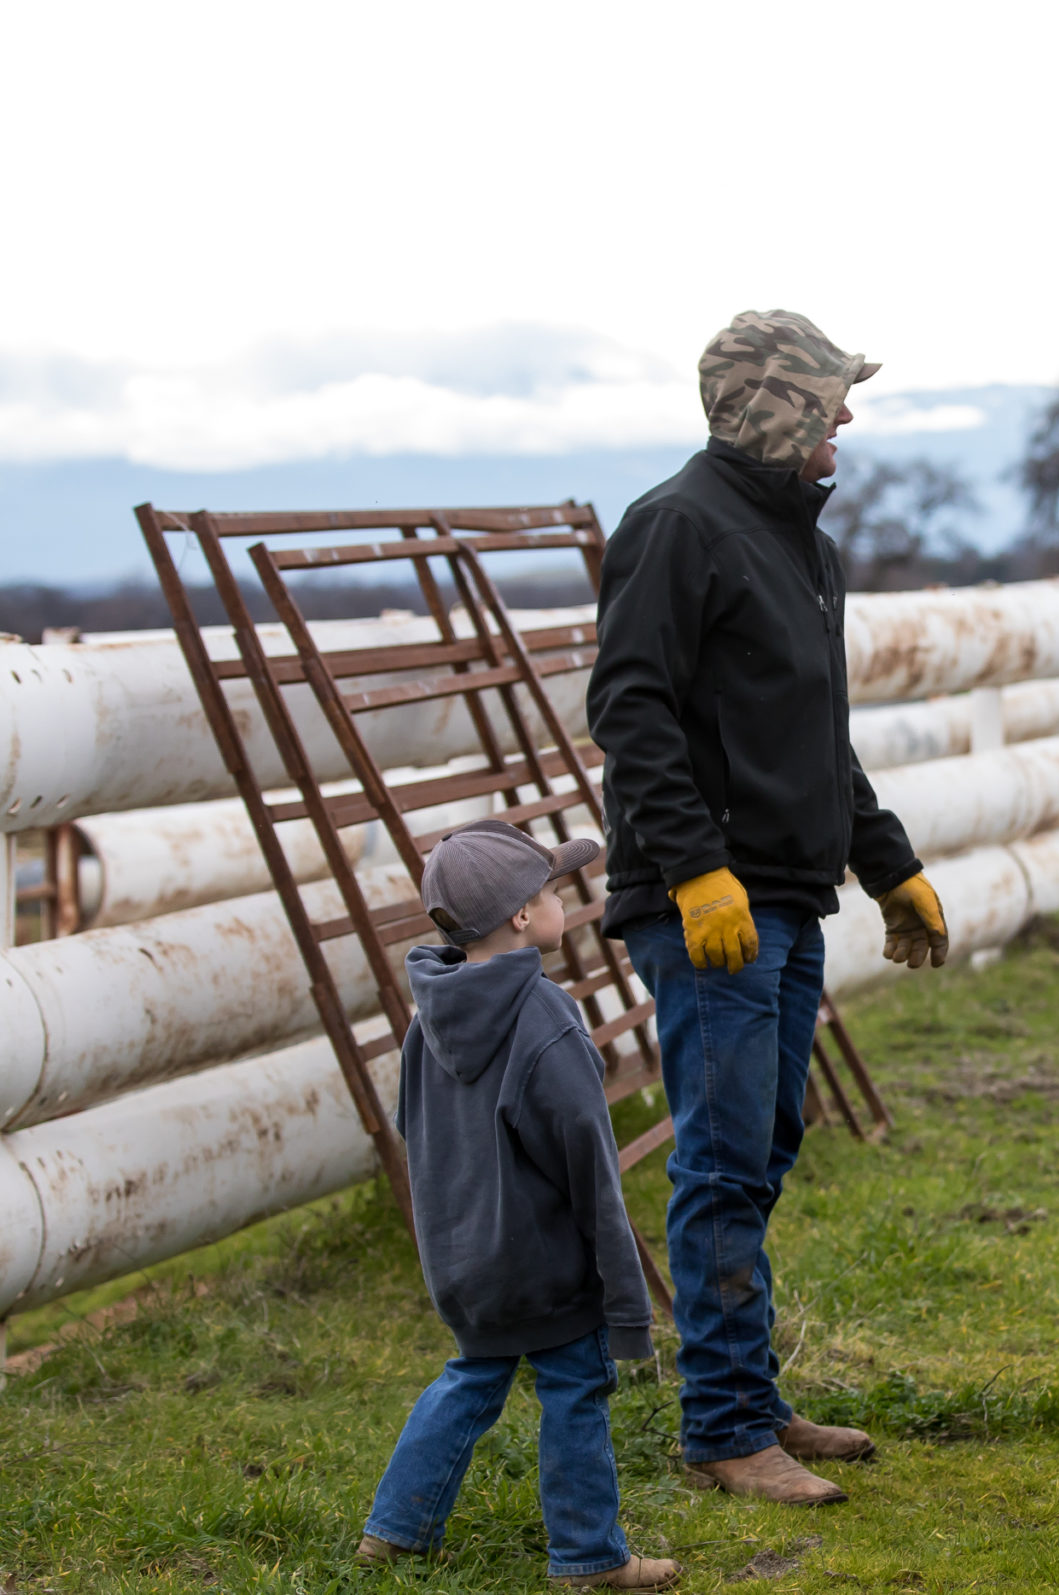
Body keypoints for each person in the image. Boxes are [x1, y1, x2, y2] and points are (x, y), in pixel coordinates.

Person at [587, 309, 949, 1508]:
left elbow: (811, 739)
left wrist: (885, 864)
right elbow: (631, 708)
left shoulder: (799, 542)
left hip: (784, 895)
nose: (845, 416)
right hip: (711, 906)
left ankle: (748, 1393)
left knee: (764, 1146)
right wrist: (693, 870)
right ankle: (725, 1429)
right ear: (775, 409)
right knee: (725, 1158)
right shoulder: (676, 528)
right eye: (828, 397)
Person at [357, 819, 675, 1590]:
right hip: (545, 1266)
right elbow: (588, 1163)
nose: (564, 899)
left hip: (464, 1261)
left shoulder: (425, 1019)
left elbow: (415, 1130)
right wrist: (624, 1297)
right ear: (524, 918)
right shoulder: (544, 1015)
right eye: (553, 889)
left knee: (471, 1379)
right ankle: (590, 1556)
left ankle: (394, 1529)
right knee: (574, 1387)